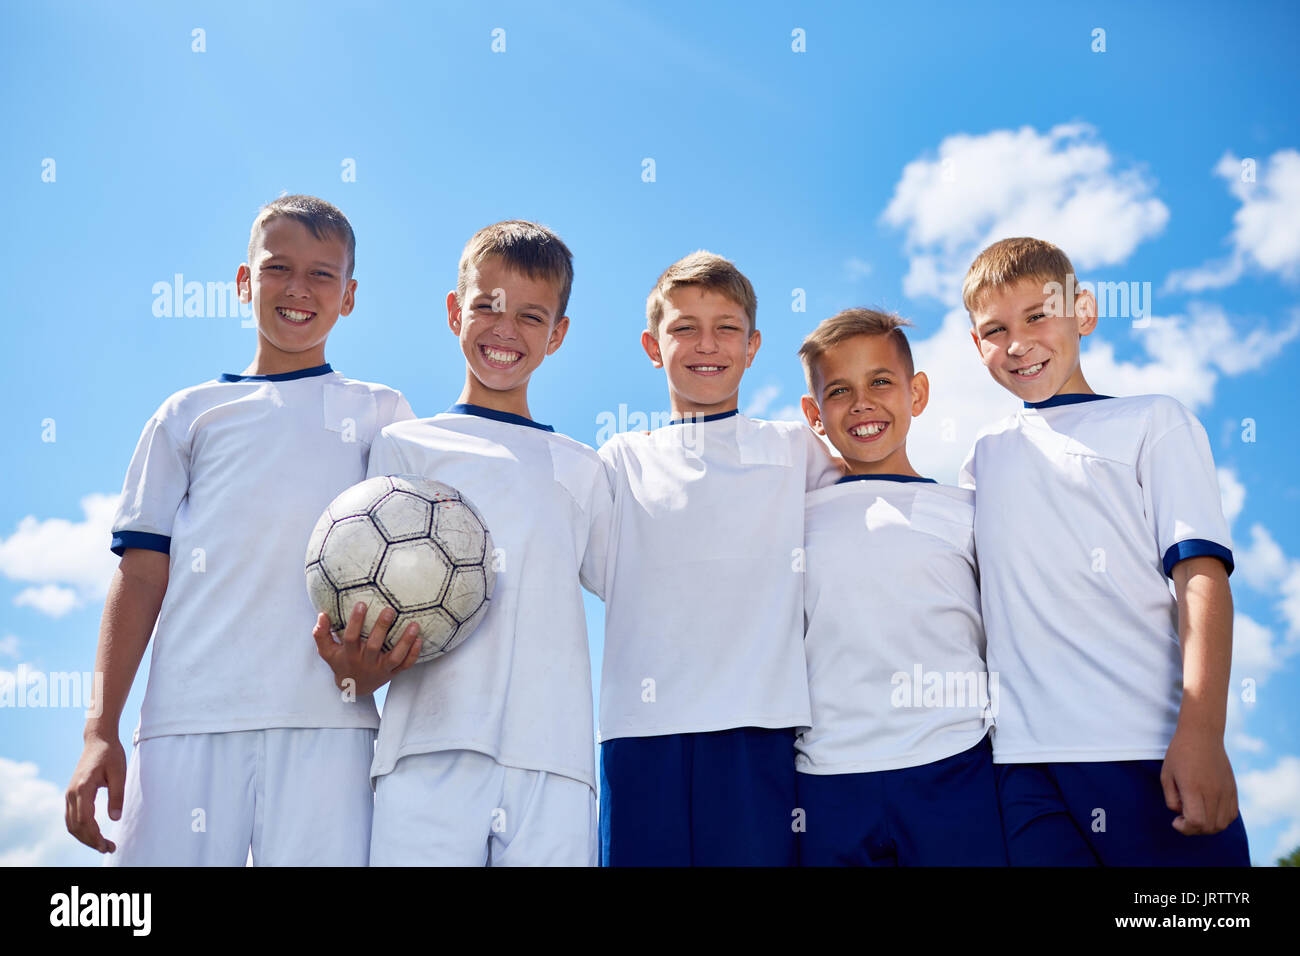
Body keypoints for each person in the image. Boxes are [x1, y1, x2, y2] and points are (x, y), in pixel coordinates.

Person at [66, 195, 416, 865]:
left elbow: (409, 570)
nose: (297, 289)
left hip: (331, 721)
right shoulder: (189, 415)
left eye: (322, 274)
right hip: (187, 722)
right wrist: (98, 730)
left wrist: (375, 668)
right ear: (242, 282)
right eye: (277, 267)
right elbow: (140, 574)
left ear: (349, 296)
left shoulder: (381, 412)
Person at [959, 236, 1249, 865]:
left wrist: (1202, 733)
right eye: (993, 330)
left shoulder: (1154, 421)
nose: (1018, 342)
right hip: (1024, 767)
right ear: (975, 345)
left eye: (1038, 315)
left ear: (1083, 312)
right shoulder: (982, 456)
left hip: (1147, 748)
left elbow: (1200, 576)